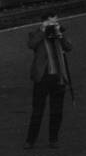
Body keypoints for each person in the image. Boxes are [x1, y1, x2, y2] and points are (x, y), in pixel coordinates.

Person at [25, 12, 72, 149]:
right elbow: (31, 44)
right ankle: (30, 140)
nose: (54, 25)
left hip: (58, 77)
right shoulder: (36, 34)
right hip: (42, 77)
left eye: (56, 22)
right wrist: (43, 30)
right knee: (37, 110)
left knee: (56, 110)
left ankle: (53, 139)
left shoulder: (59, 34)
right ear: (44, 22)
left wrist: (60, 34)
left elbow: (69, 47)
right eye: (51, 22)